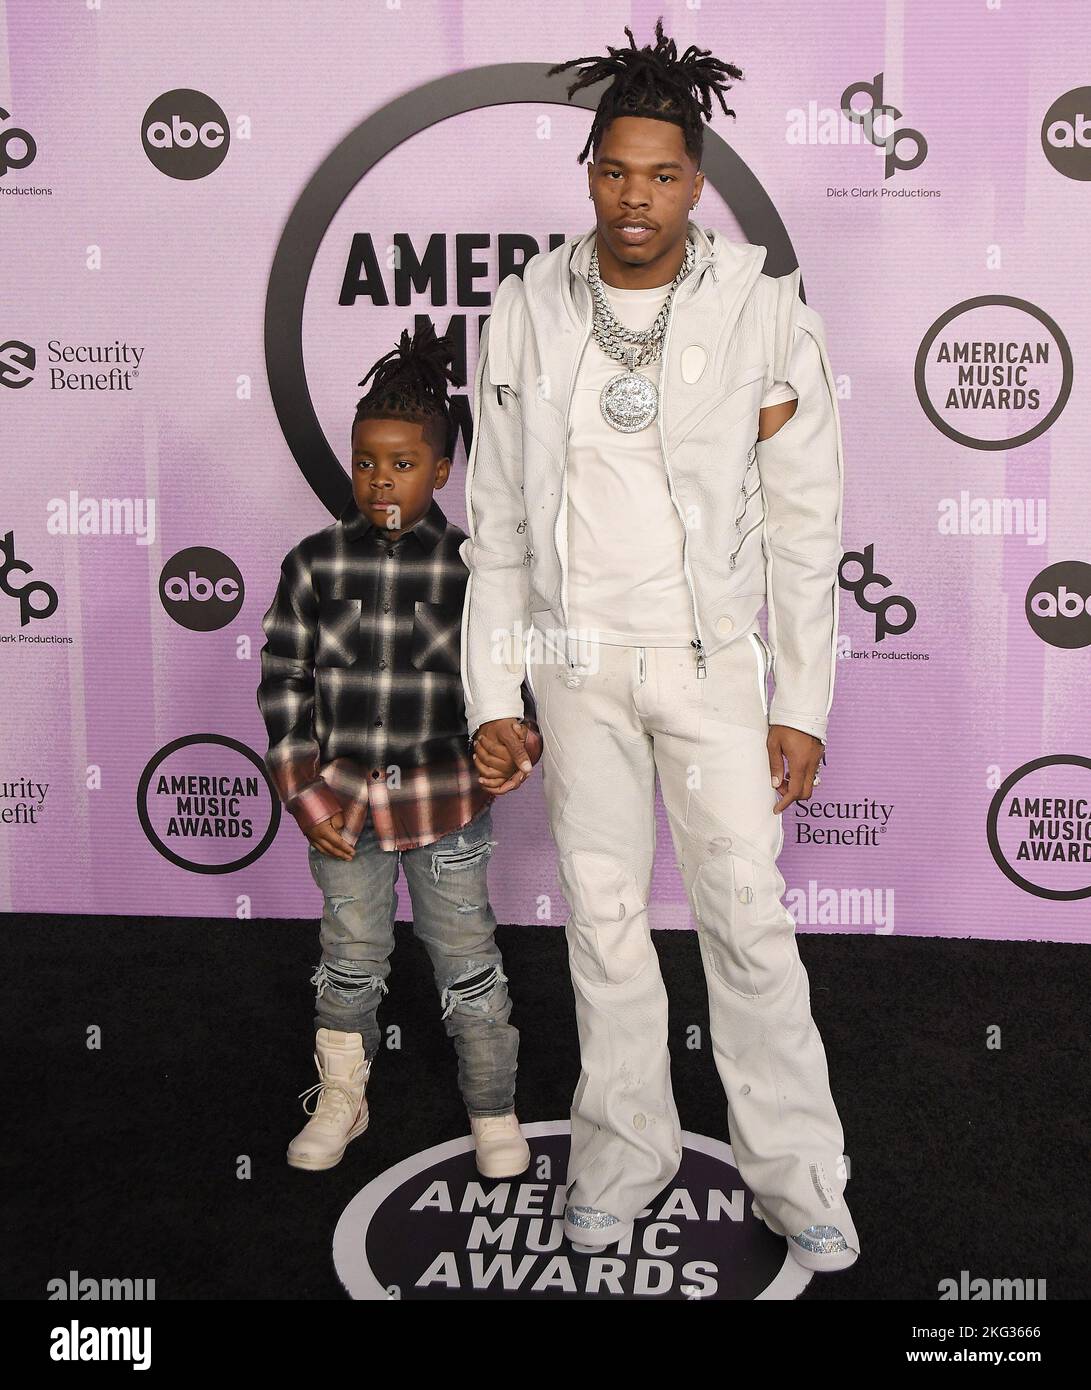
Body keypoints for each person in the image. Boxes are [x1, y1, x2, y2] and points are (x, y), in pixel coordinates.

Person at [462, 18, 859, 1271]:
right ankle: (621, 1153)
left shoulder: (760, 308)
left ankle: (797, 1173)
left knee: (746, 915)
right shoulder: (525, 307)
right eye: (613, 171)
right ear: (587, 171)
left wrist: (800, 700)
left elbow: (805, 523)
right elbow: (496, 528)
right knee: (603, 916)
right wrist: (495, 688)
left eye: (662, 174)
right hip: (576, 670)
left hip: (709, 670)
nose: (635, 198)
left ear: (697, 180)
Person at [257, 320, 540, 1177]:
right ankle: (343, 1098)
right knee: (349, 957)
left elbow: (507, 692)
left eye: (404, 464)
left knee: (466, 959)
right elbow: (284, 682)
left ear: (443, 470)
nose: (382, 480)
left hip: (445, 805)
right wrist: (302, 792)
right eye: (367, 462)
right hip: (340, 809)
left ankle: (493, 1109)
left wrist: (514, 746)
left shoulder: (473, 570)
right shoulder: (312, 563)